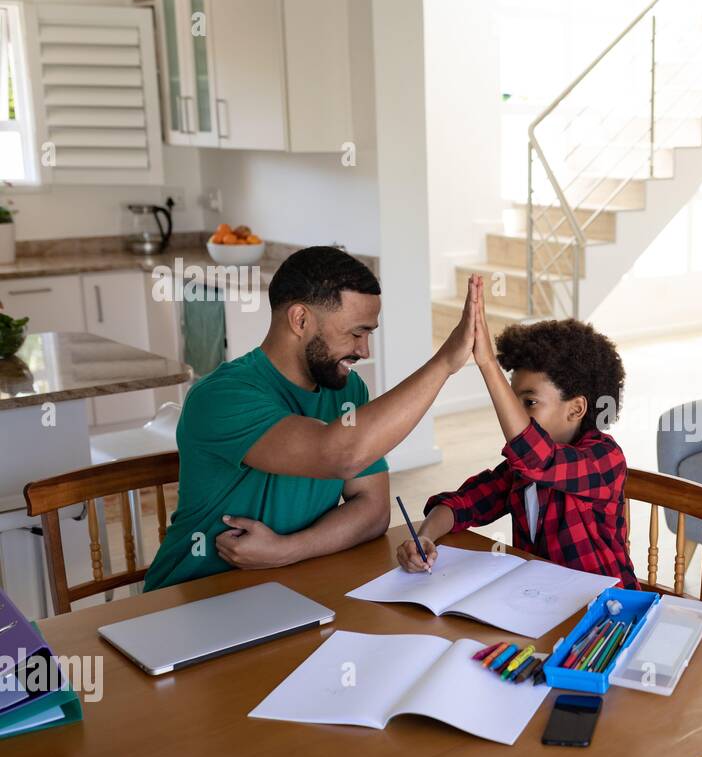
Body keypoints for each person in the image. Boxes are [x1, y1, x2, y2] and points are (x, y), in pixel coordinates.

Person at [144, 245, 478, 590]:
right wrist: (445, 363)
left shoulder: (347, 391)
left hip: (290, 584)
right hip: (193, 595)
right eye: (355, 333)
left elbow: (373, 510)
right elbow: (339, 454)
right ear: (300, 320)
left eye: (368, 335)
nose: (363, 351)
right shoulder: (221, 397)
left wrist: (287, 551)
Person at [395, 275, 637, 588]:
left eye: (529, 402)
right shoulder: (519, 472)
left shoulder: (605, 460)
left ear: (576, 408)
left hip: (608, 613)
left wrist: (487, 364)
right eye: (512, 399)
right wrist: (424, 537)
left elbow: (540, 459)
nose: (513, 412)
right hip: (543, 601)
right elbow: (462, 504)